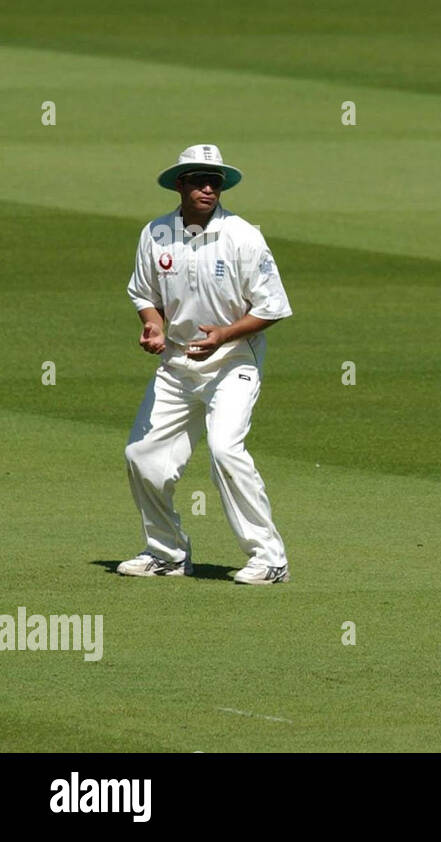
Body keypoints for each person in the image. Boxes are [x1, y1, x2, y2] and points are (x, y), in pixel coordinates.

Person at [116, 144, 293, 585]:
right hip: (176, 364)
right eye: (199, 180)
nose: (209, 188)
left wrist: (222, 336)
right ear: (181, 184)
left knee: (225, 449)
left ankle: (269, 558)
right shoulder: (155, 234)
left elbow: (271, 307)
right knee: (142, 457)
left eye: (215, 181)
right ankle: (167, 553)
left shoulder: (243, 236)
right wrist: (154, 327)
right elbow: (145, 295)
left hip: (233, 361)